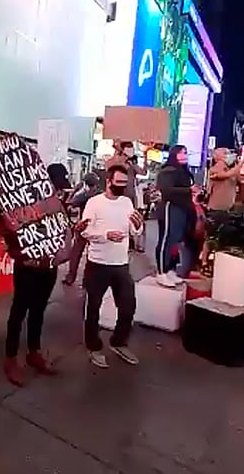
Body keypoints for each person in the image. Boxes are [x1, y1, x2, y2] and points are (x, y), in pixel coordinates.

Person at [2, 163, 71, 386]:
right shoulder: (26, 202)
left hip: (48, 267)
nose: (59, 191)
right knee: (19, 310)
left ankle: (34, 352)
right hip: (27, 267)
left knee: (39, 310)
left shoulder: (59, 204)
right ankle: (10, 358)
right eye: (56, 187)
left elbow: (64, 232)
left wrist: (63, 252)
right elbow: (11, 231)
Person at [79, 165, 144, 368]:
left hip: (121, 263)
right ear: (109, 181)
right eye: (119, 183)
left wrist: (138, 226)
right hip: (97, 263)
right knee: (93, 309)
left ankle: (119, 341)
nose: (122, 187)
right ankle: (94, 347)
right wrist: (105, 235)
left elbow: (135, 231)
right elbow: (84, 231)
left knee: (128, 306)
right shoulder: (94, 203)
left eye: (125, 184)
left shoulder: (127, 202)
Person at [154, 145, 197, 287]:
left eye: (186, 153)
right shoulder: (168, 171)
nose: (184, 155)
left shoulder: (185, 172)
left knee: (176, 241)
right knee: (167, 240)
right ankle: (161, 272)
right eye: (181, 153)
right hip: (170, 208)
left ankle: (171, 269)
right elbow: (166, 190)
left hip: (183, 209)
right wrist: (188, 190)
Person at [62, 171, 101, 285]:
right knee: (92, 255)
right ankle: (87, 279)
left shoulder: (85, 195)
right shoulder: (100, 194)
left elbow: (70, 203)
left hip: (83, 227)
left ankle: (71, 277)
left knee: (76, 253)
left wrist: (75, 190)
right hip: (97, 227)